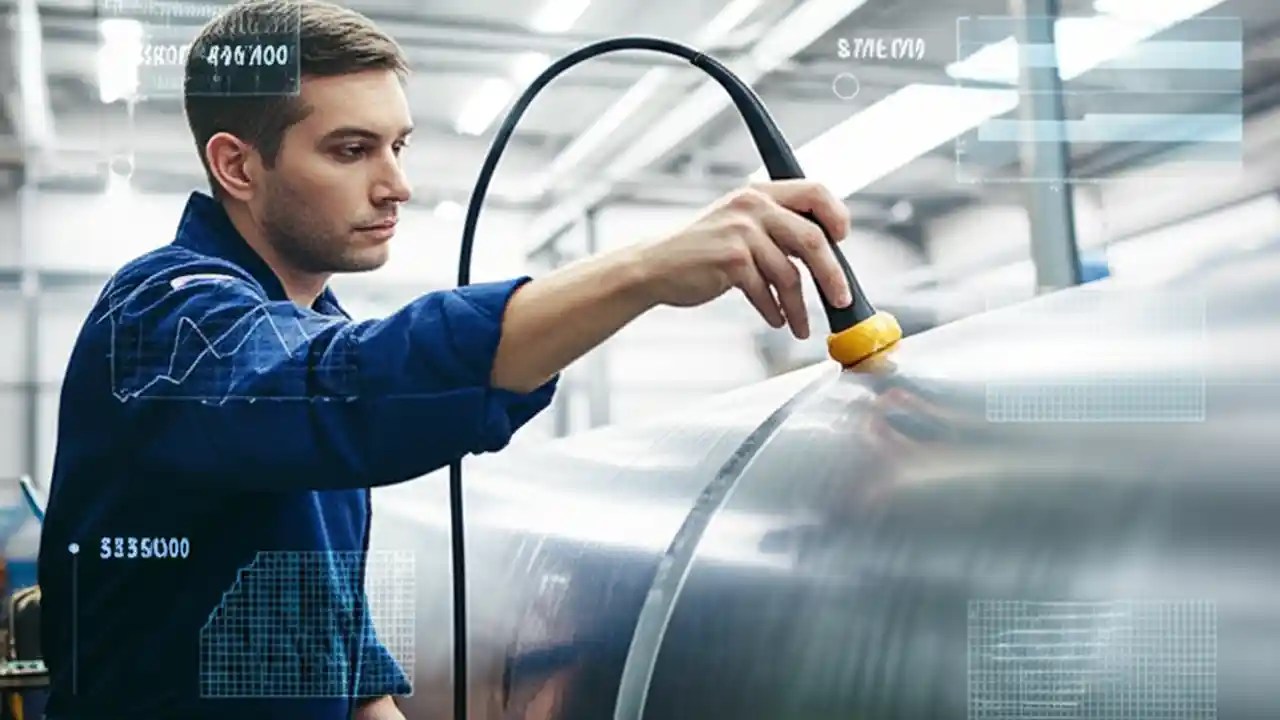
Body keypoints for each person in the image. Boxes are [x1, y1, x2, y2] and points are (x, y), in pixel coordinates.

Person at [35, 0, 855, 718]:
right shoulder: (164, 319)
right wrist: (642, 271)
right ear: (237, 165)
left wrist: (371, 698)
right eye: (351, 150)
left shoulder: (308, 327)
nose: (397, 185)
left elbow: (314, 601)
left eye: (398, 145)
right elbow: (348, 391)